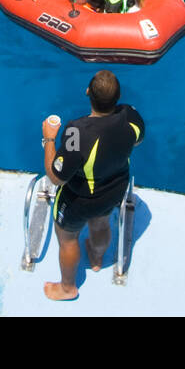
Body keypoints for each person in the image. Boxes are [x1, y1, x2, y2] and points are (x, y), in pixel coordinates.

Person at [41, 70, 145, 301]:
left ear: (88, 93)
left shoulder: (77, 131)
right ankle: (97, 259)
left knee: (67, 238)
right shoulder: (131, 116)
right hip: (115, 190)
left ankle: (67, 288)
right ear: (118, 97)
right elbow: (137, 140)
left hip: (79, 201)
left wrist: (48, 139)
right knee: (100, 224)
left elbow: (57, 177)